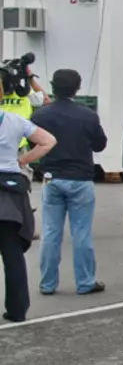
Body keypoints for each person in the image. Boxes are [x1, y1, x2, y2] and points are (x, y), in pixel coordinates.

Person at [32, 69, 107, 296]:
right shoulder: (88, 115)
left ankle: (47, 283)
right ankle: (85, 282)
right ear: (77, 87)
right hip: (80, 178)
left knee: (51, 232)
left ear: (53, 87)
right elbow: (100, 145)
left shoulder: (41, 116)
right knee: (81, 233)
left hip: (52, 176)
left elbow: (31, 140)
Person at [0, 106, 56, 321]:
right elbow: (48, 141)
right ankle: (17, 309)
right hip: (11, 189)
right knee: (12, 254)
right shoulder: (15, 121)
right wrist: (22, 161)